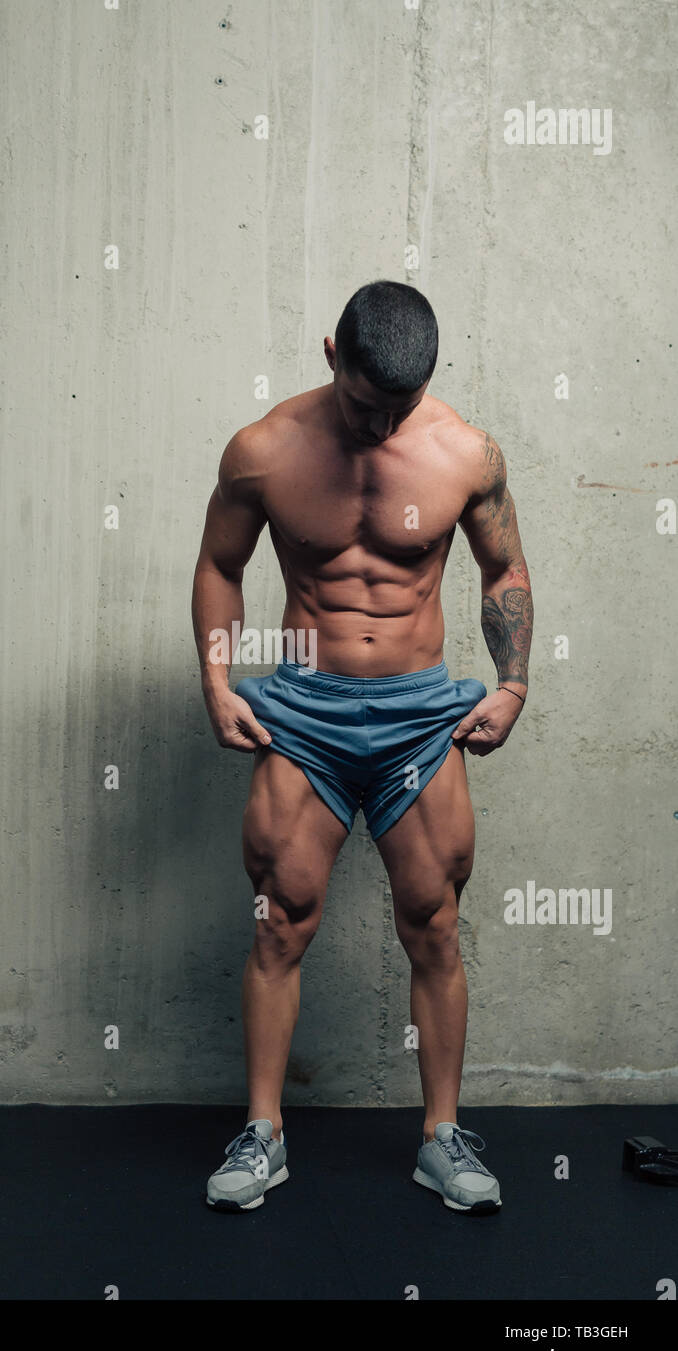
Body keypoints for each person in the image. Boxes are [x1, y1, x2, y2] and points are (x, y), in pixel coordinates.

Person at [191, 280, 533, 1214]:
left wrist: (511, 685)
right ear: (331, 352)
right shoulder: (264, 451)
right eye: (365, 405)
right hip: (305, 710)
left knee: (433, 923)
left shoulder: (465, 452)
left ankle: (442, 1137)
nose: (382, 427)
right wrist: (220, 684)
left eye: (402, 408)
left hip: (421, 714)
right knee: (282, 916)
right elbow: (222, 564)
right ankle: (263, 1134)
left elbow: (502, 566)